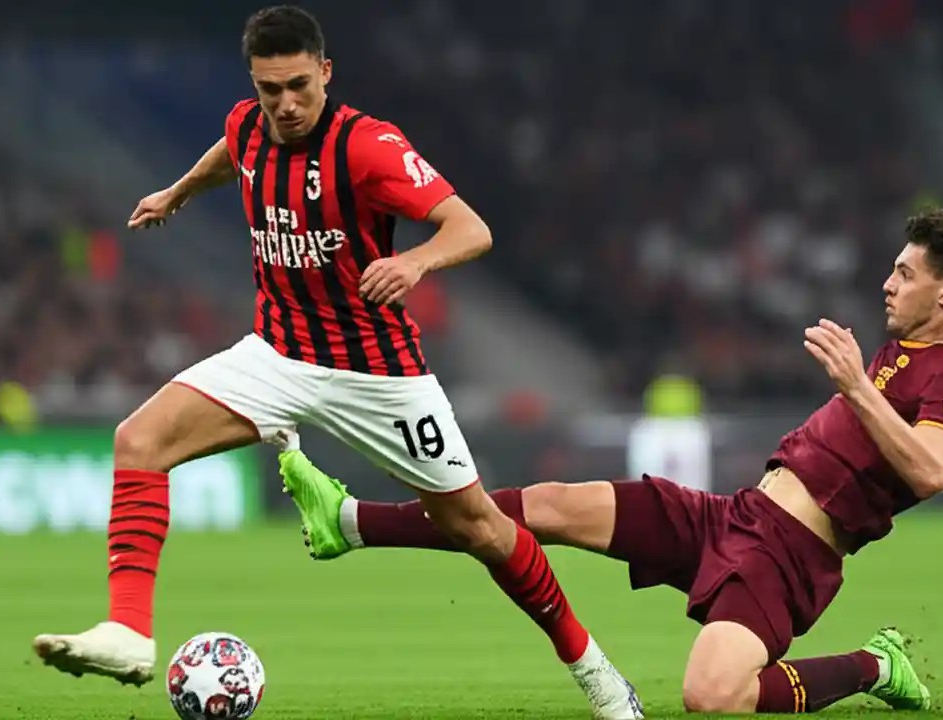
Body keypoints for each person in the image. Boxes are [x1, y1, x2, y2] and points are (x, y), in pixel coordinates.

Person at [31, 7, 641, 717]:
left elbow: (471, 228)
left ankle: (597, 675)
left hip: (378, 374)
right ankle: (130, 632)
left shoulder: (368, 146)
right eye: (269, 90)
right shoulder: (248, 125)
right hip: (277, 354)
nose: (285, 105)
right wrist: (177, 193)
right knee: (138, 440)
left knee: (478, 528)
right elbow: (234, 151)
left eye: (298, 86)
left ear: (325, 73)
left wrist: (413, 261)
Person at [281, 208, 943, 713]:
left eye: (904, 275)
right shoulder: (937, 369)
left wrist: (852, 384)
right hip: (735, 515)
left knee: (712, 697)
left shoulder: (940, 376)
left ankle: (877, 664)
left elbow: (937, 469)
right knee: (546, 504)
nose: (887, 284)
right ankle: (350, 521)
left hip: (790, 556)